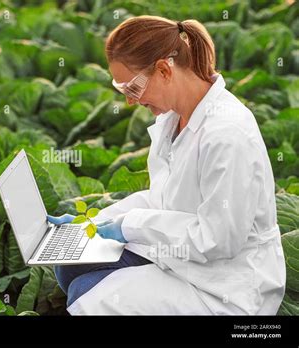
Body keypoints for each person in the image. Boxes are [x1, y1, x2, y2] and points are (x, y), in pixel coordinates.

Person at [47, 15, 286, 315]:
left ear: (163, 69)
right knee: (68, 268)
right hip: (184, 256)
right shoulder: (173, 117)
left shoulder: (227, 134)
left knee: (87, 294)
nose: (131, 101)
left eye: (133, 88)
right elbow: (161, 199)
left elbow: (218, 239)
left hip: (227, 285)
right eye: (122, 90)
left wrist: (130, 226)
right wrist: (93, 225)